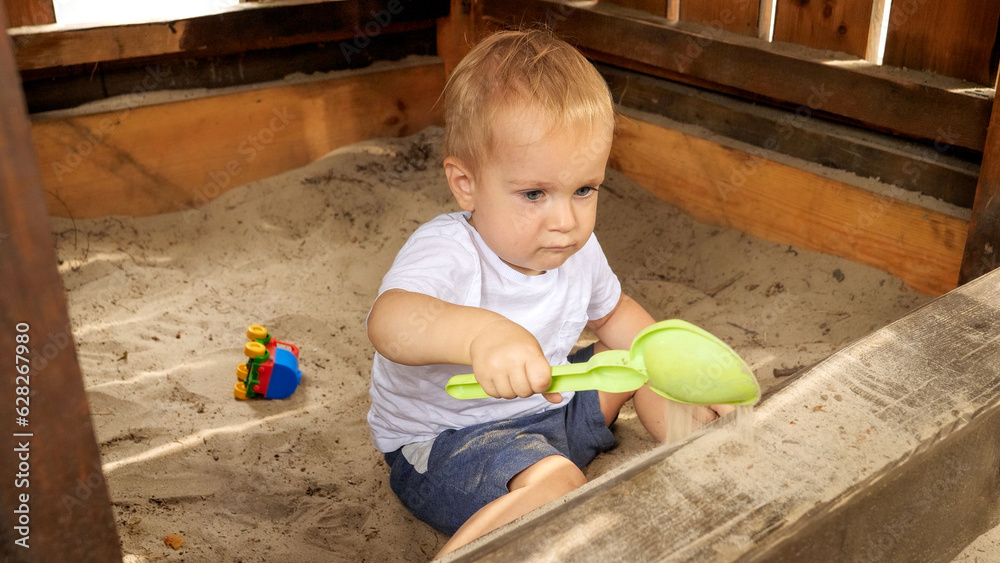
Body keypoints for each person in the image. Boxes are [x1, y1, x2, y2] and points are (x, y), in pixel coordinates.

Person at [366, 28, 731, 558]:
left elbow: (615, 316)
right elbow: (390, 322)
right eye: (534, 193)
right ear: (466, 183)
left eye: (584, 190)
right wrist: (482, 336)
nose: (565, 221)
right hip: (452, 443)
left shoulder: (578, 249)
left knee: (637, 357)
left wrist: (677, 363)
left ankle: (705, 453)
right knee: (559, 483)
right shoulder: (449, 251)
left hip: (553, 408)